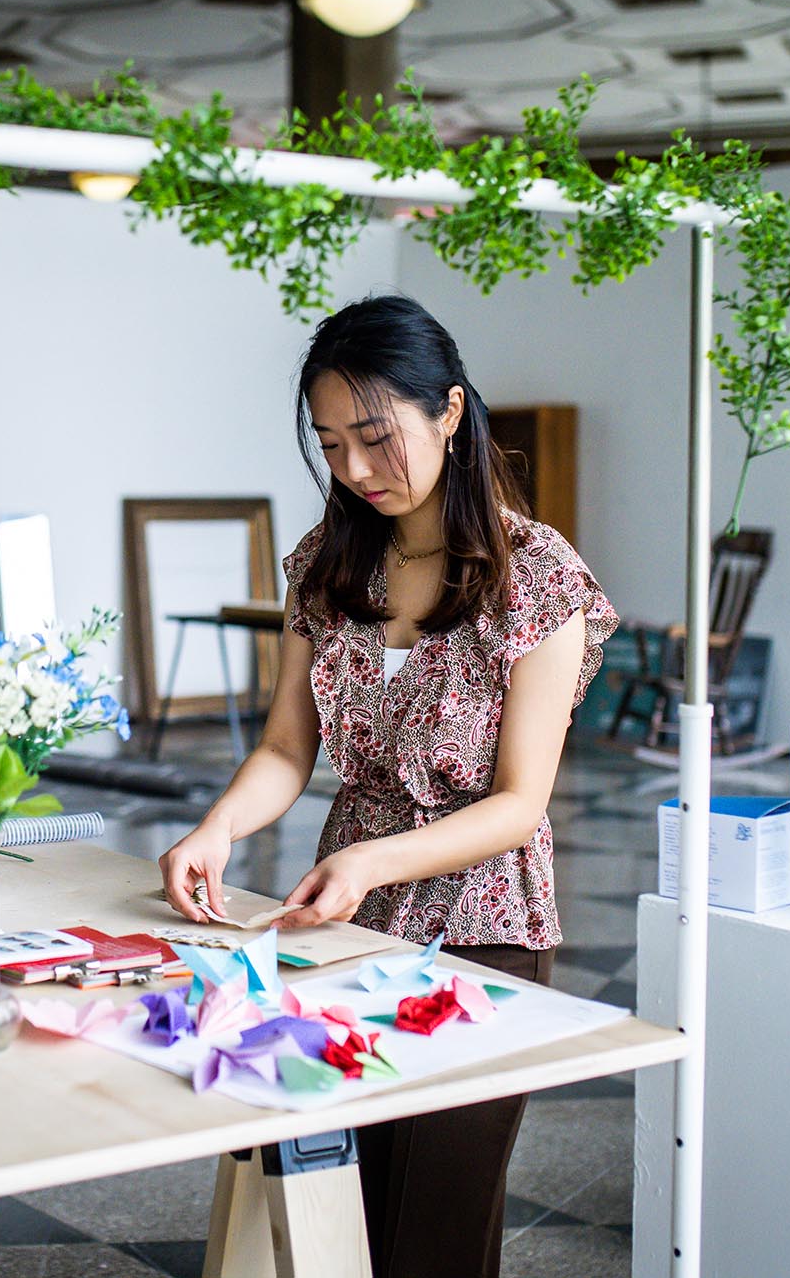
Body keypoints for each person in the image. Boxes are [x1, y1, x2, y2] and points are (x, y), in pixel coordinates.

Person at [159, 293, 618, 1278]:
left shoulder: (538, 576)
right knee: (339, 1201)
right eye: (331, 445)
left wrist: (373, 858)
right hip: (347, 916)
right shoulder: (326, 563)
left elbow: (519, 802)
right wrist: (216, 830)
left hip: (483, 921)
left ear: (449, 412)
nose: (356, 470)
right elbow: (289, 748)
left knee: (437, 1226)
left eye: (376, 437)